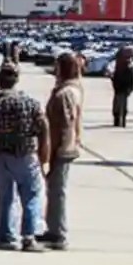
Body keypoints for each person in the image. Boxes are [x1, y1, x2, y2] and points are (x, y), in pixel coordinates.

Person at [0, 63, 50, 252]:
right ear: (16, 80)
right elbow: (43, 127)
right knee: (31, 196)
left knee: (5, 197)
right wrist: (43, 154)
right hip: (26, 154)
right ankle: (28, 237)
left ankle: (6, 237)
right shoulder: (29, 102)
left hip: (2, 155)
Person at [39, 52, 83, 251]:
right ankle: (53, 228)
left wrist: (54, 150)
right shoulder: (70, 89)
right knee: (54, 190)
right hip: (63, 145)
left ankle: (59, 233)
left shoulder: (66, 93)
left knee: (58, 191)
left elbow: (66, 124)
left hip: (62, 148)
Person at [110, 46, 133, 127]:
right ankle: (121, 121)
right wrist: (131, 87)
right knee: (122, 104)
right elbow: (131, 78)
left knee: (118, 104)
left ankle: (118, 121)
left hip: (120, 87)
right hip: (123, 87)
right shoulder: (128, 66)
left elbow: (117, 76)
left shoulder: (120, 64)